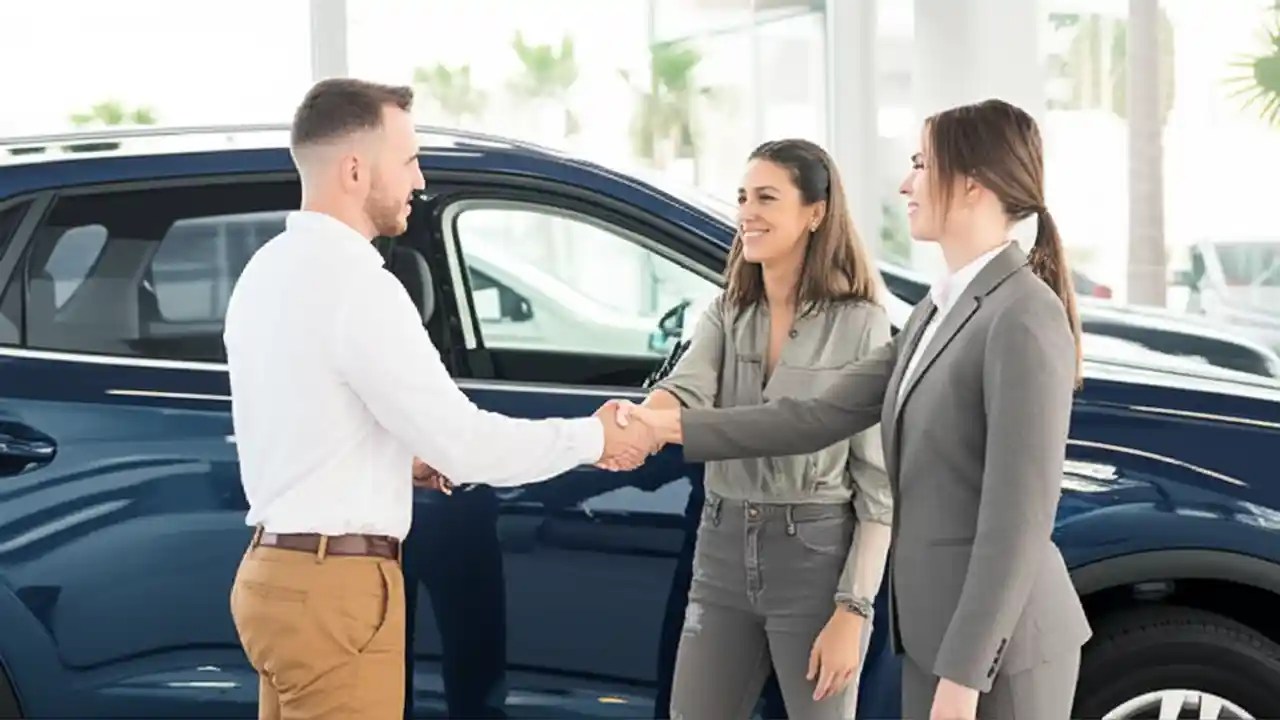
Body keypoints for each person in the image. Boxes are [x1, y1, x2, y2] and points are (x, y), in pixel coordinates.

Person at [617, 99, 1093, 720]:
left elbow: (1018, 524)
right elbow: (813, 415)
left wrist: (965, 675)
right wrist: (664, 424)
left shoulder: (1023, 314)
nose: (906, 183)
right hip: (937, 639)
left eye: (922, 164)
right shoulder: (937, 310)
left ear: (973, 185)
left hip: (998, 656)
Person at [223, 77, 652, 720]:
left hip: (274, 579)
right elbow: (468, 444)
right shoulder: (359, 287)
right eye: (409, 162)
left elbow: (302, 425)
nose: (419, 181)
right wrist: (596, 437)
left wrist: (398, 463)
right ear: (354, 169)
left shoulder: (265, 273)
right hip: (337, 593)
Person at [624, 138, 893, 720]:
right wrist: (636, 422)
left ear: (815, 212)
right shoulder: (726, 312)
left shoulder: (863, 325)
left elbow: (880, 492)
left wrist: (854, 608)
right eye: (743, 196)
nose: (747, 211)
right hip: (720, 553)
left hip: (815, 561)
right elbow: (685, 390)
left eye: (766, 197)